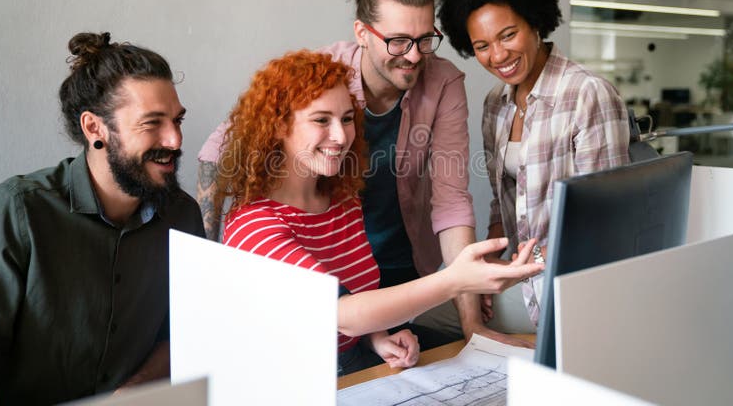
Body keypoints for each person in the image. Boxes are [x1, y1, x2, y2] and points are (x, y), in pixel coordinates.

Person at [198, 0, 528, 347]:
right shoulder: (325, 76)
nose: (414, 55)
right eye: (399, 41)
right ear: (362, 33)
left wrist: (472, 326)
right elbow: (220, 151)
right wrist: (211, 267)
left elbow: (451, 200)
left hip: (376, 262)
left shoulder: (440, 83)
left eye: (426, 40)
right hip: (319, 264)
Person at [216, 50, 544, 375]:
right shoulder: (254, 225)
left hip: (349, 363)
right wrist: (455, 280)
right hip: (293, 380)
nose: (341, 135)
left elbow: (350, 296)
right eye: (321, 120)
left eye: (347, 119)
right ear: (277, 127)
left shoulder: (341, 200)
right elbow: (341, 313)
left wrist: (377, 338)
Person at [0, 32, 205, 405]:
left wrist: (127, 395)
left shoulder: (182, 216)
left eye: (177, 120)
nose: (175, 139)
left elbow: (180, 333)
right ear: (94, 128)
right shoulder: (16, 212)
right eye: (153, 123)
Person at [437, 0, 630, 330]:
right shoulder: (496, 104)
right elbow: (503, 204)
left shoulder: (587, 94)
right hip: (520, 277)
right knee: (430, 319)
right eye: (481, 46)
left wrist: (520, 267)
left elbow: (606, 220)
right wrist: (487, 268)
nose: (498, 55)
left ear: (535, 22)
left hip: (570, 288)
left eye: (508, 35)